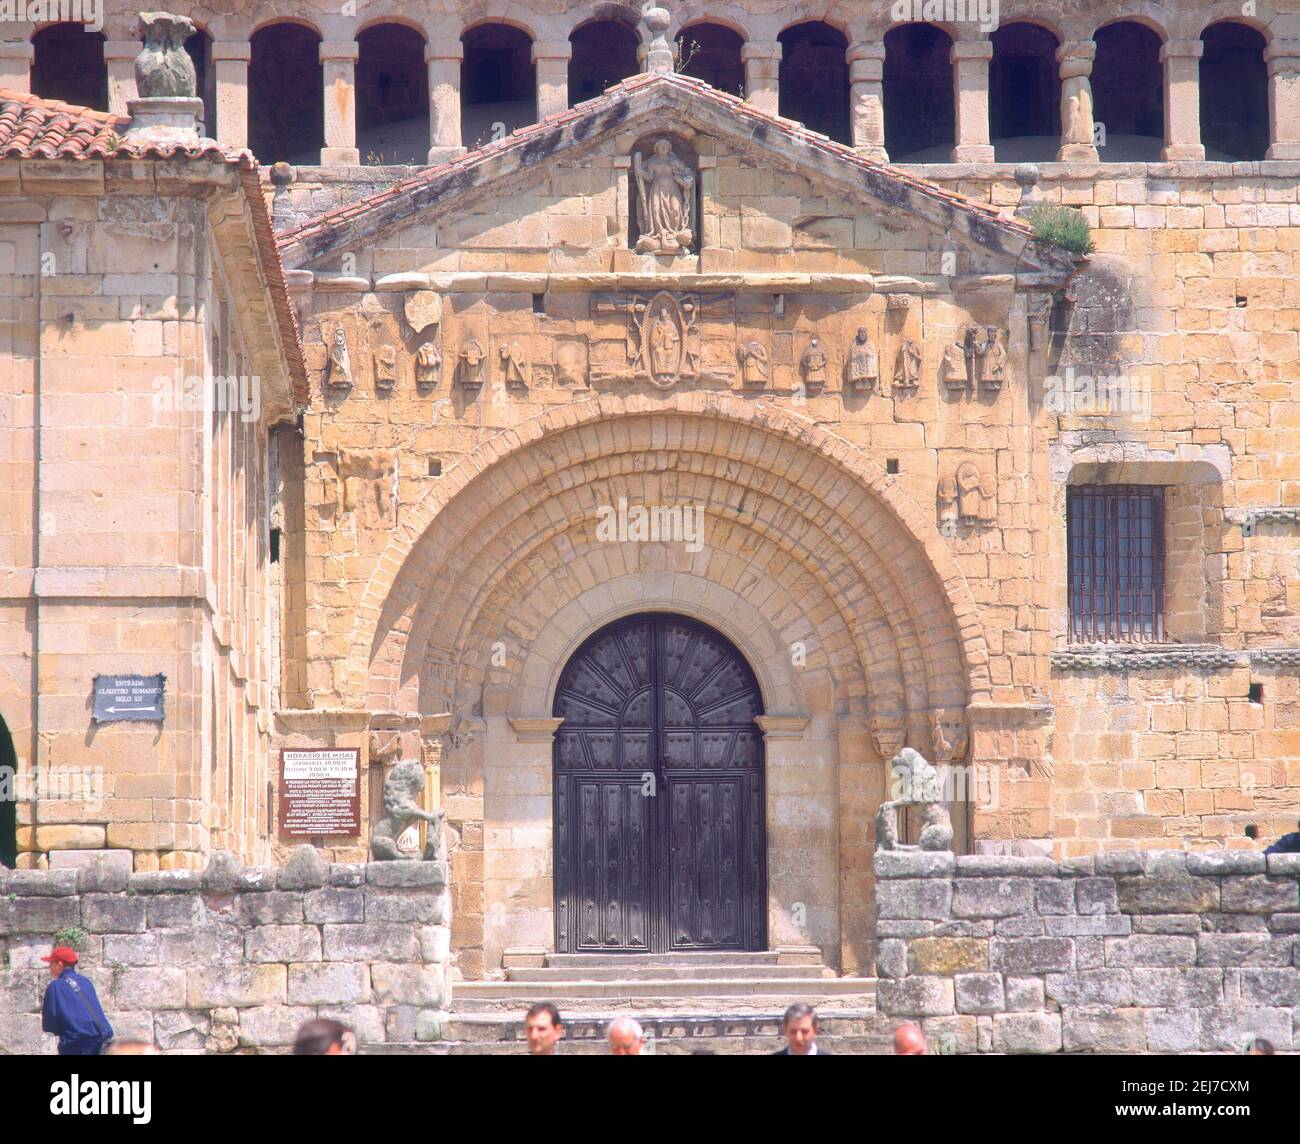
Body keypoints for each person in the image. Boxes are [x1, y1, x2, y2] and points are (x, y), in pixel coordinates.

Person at [40, 945, 113, 1056]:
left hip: (76, 1043)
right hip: (100, 1039)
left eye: (51, 964)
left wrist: (54, 1032)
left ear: (59, 964)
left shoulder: (55, 986)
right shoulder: (85, 981)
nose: (49, 967)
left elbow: (50, 1020)